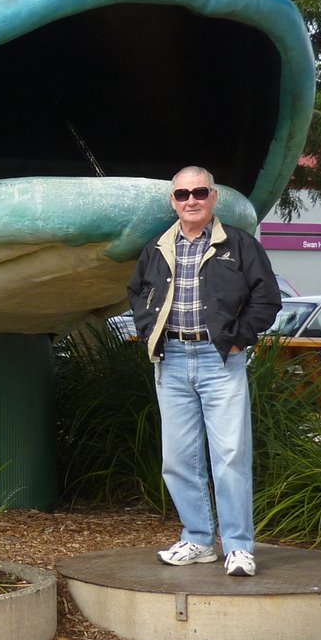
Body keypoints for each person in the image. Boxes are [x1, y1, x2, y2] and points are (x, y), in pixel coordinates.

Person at [125, 166, 282, 577]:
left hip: (221, 361)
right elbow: (137, 293)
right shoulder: (156, 248)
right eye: (181, 195)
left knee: (230, 455)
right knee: (178, 459)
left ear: (213, 198)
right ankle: (198, 539)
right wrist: (149, 332)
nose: (190, 200)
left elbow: (267, 299)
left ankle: (238, 547)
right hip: (172, 361)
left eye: (198, 193)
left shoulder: (240, 245)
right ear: (173, 202)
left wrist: (237, 338)